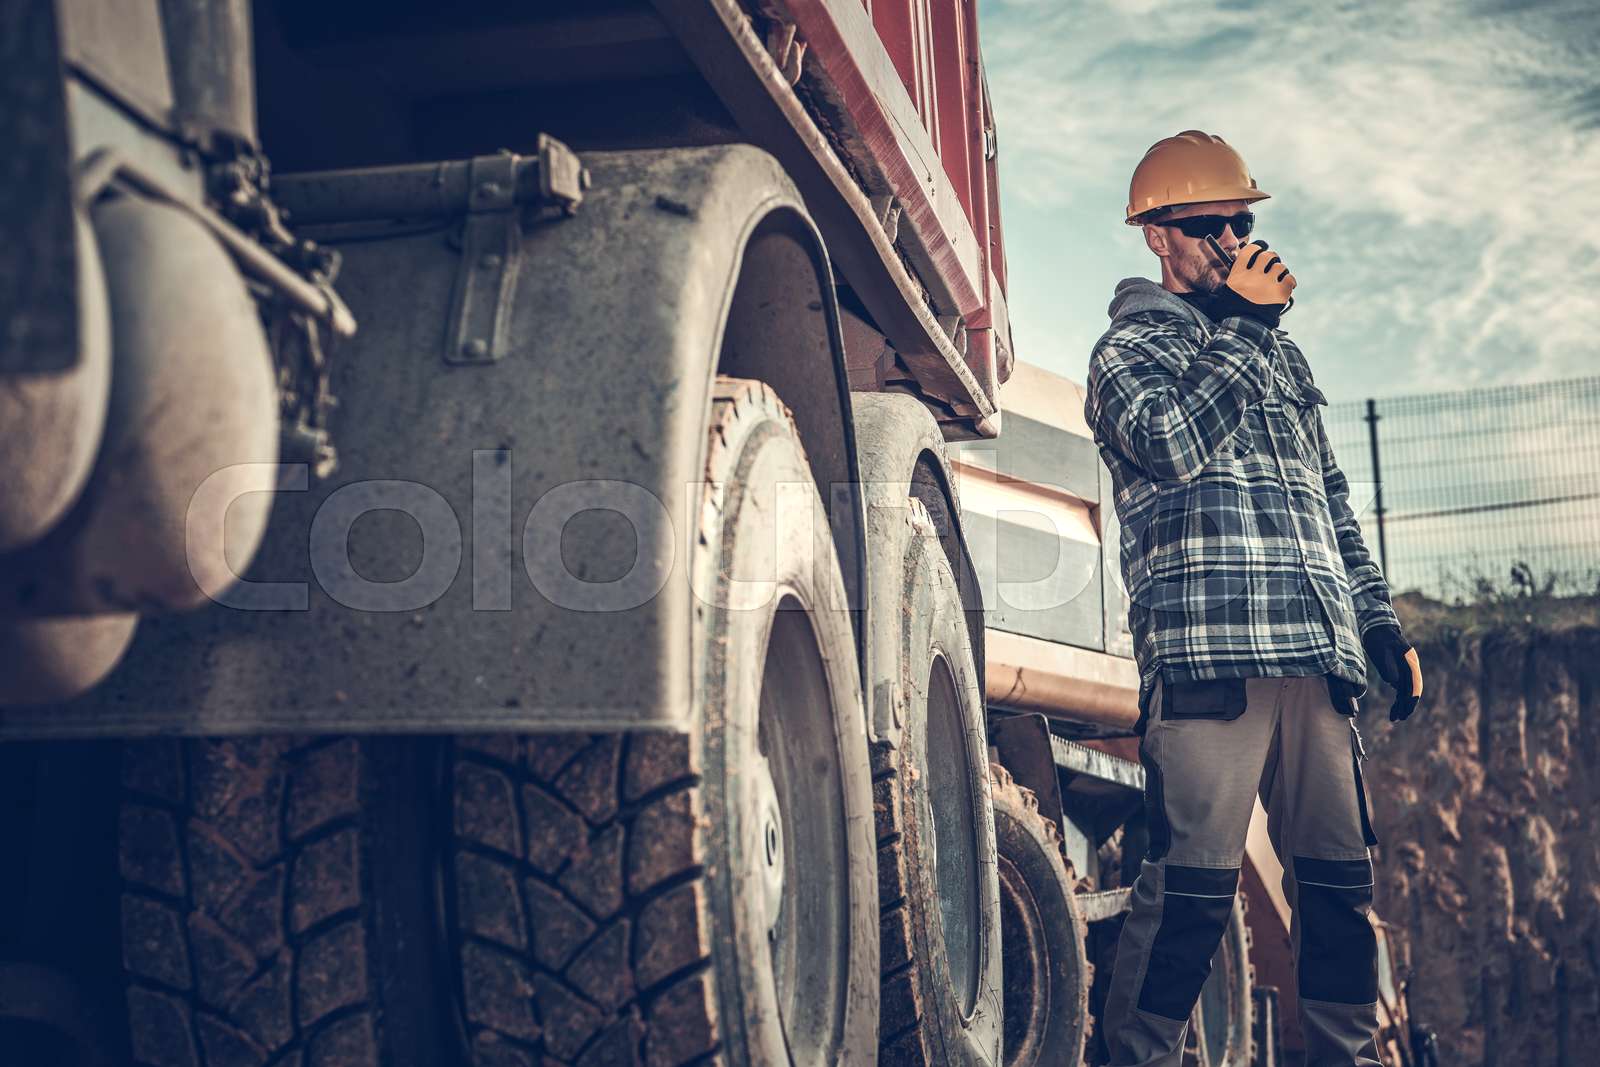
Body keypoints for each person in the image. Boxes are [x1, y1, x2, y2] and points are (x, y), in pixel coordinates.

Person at [1084, 130, 1425, 1066]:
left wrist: (1378, 618)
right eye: (1211, 226)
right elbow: (1172, 443)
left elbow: (1332, 501)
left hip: (1316, 659)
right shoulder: (1126, 353)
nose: (1234, 239)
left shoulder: (1282, 354)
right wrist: (1243, 327)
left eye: (1241, 221)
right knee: (1190, 899)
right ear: (1158, 235)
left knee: (1339, 894)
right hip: (1213, 663)